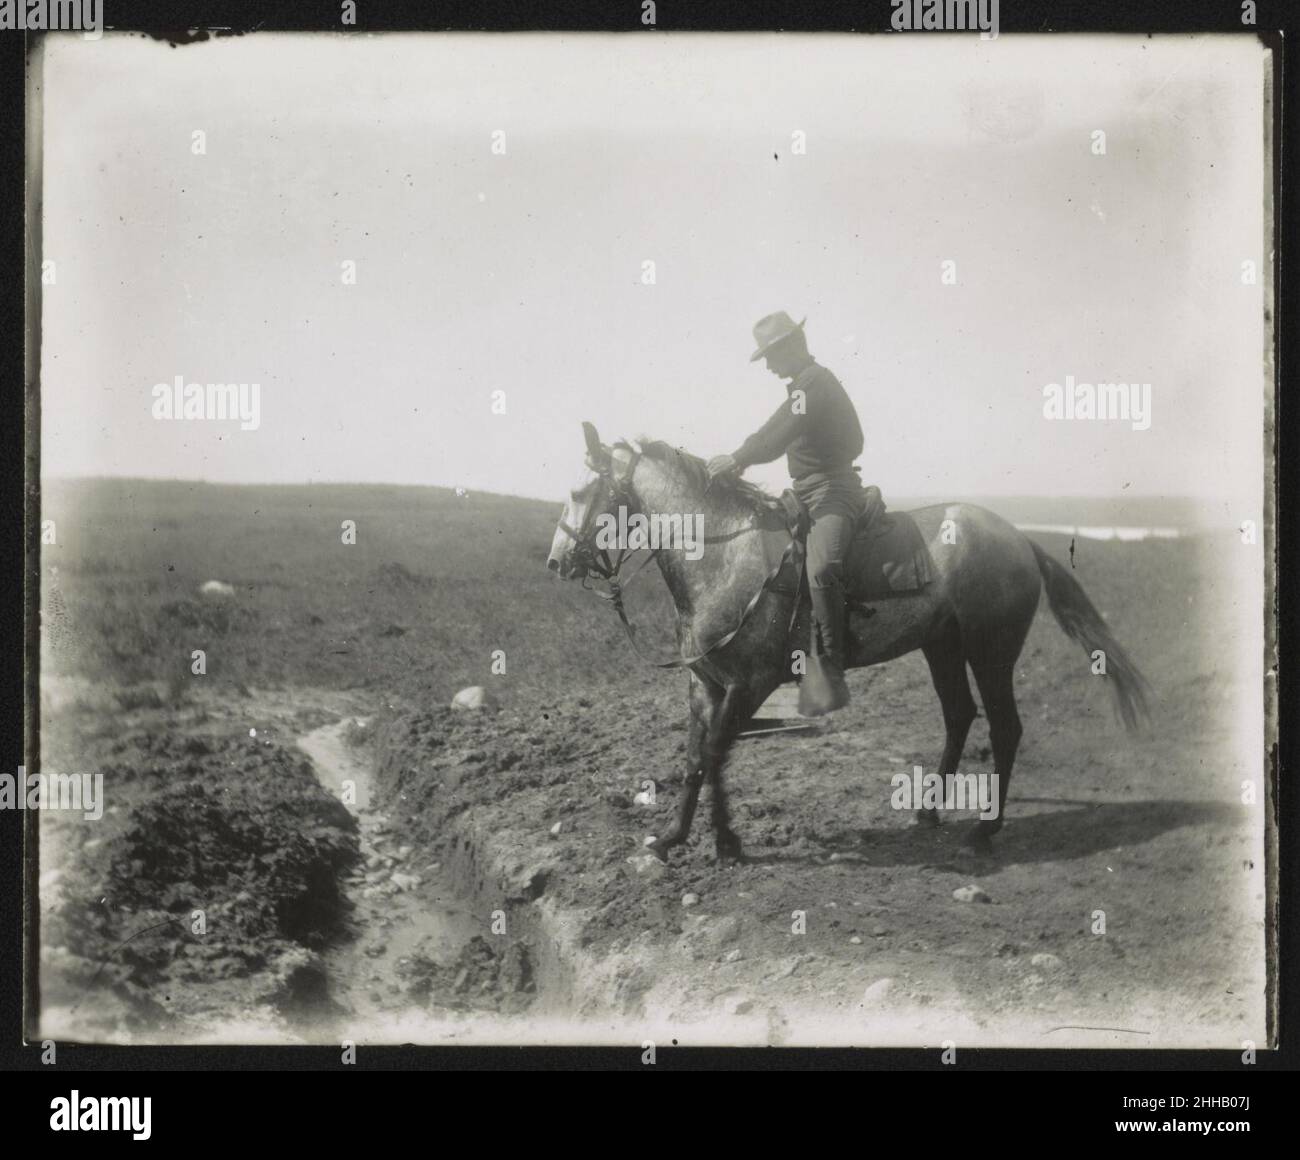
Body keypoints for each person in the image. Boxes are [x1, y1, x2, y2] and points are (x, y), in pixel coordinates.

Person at [707, 312, 867, 714]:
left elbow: (774, 439)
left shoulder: (814, 383)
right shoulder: (801, 386)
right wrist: (740, 456)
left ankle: (832, 666)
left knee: (822, 568)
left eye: (769, 355)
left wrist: (738, 458)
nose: (767, 365)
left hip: (834, 489)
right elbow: (771, 430)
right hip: (805, 491)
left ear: (790, 346)